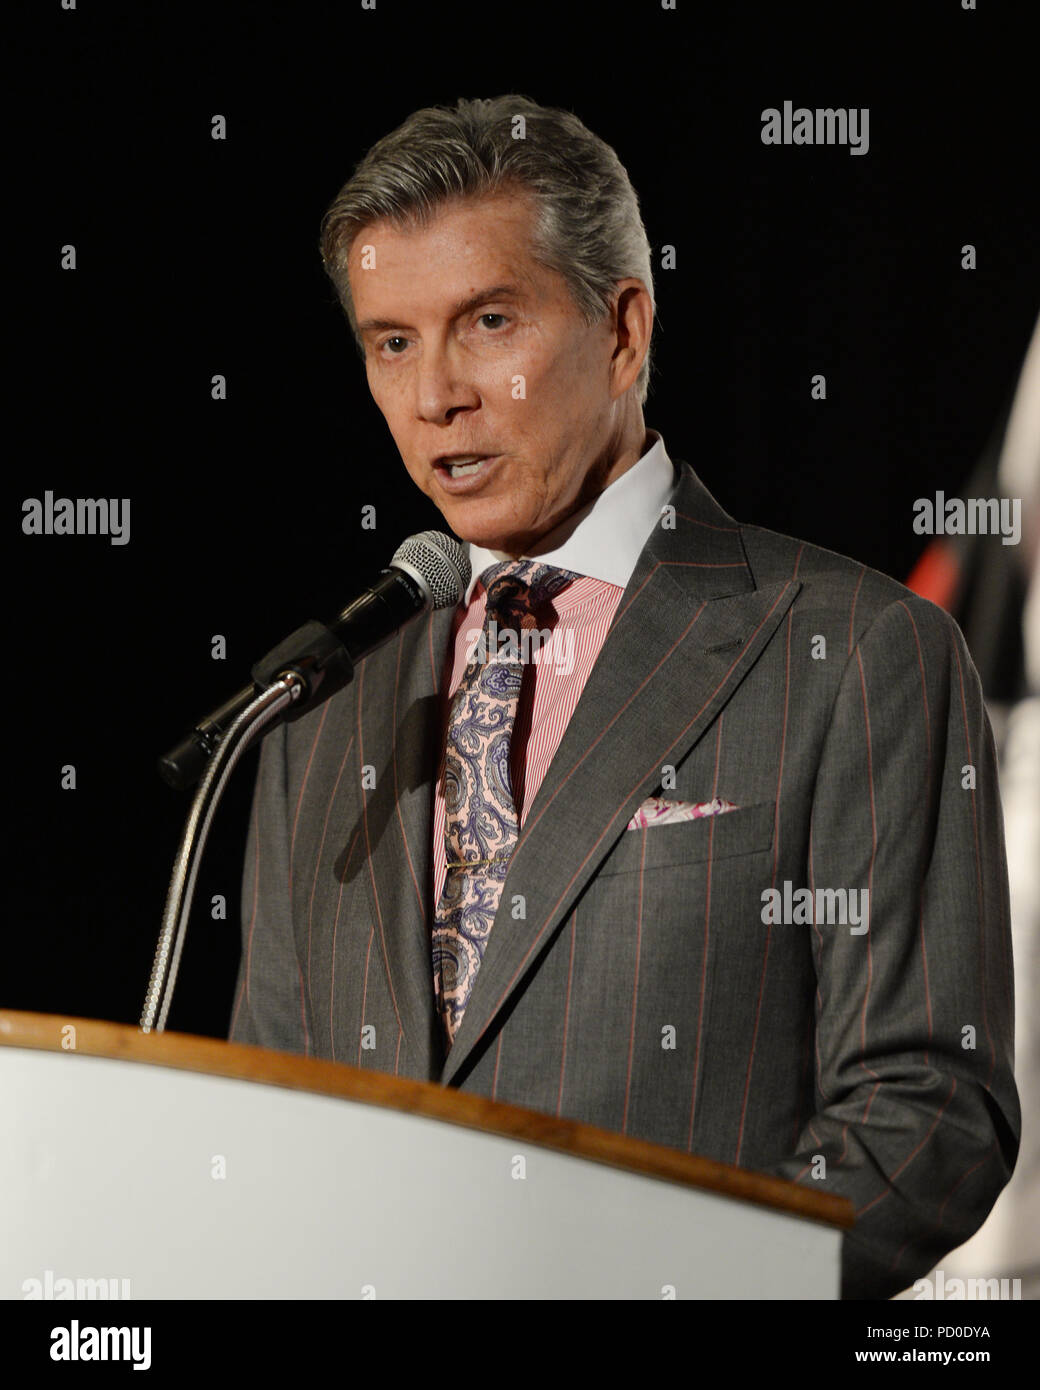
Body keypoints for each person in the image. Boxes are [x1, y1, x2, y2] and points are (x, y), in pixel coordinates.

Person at [228, 95, 1020, 1300]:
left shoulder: (854, 649)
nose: (435, 393)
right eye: (392, 342)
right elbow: (275, 1115)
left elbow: (928, 1105)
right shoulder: (324, 704)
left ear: (621, 330)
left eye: (487, 321)